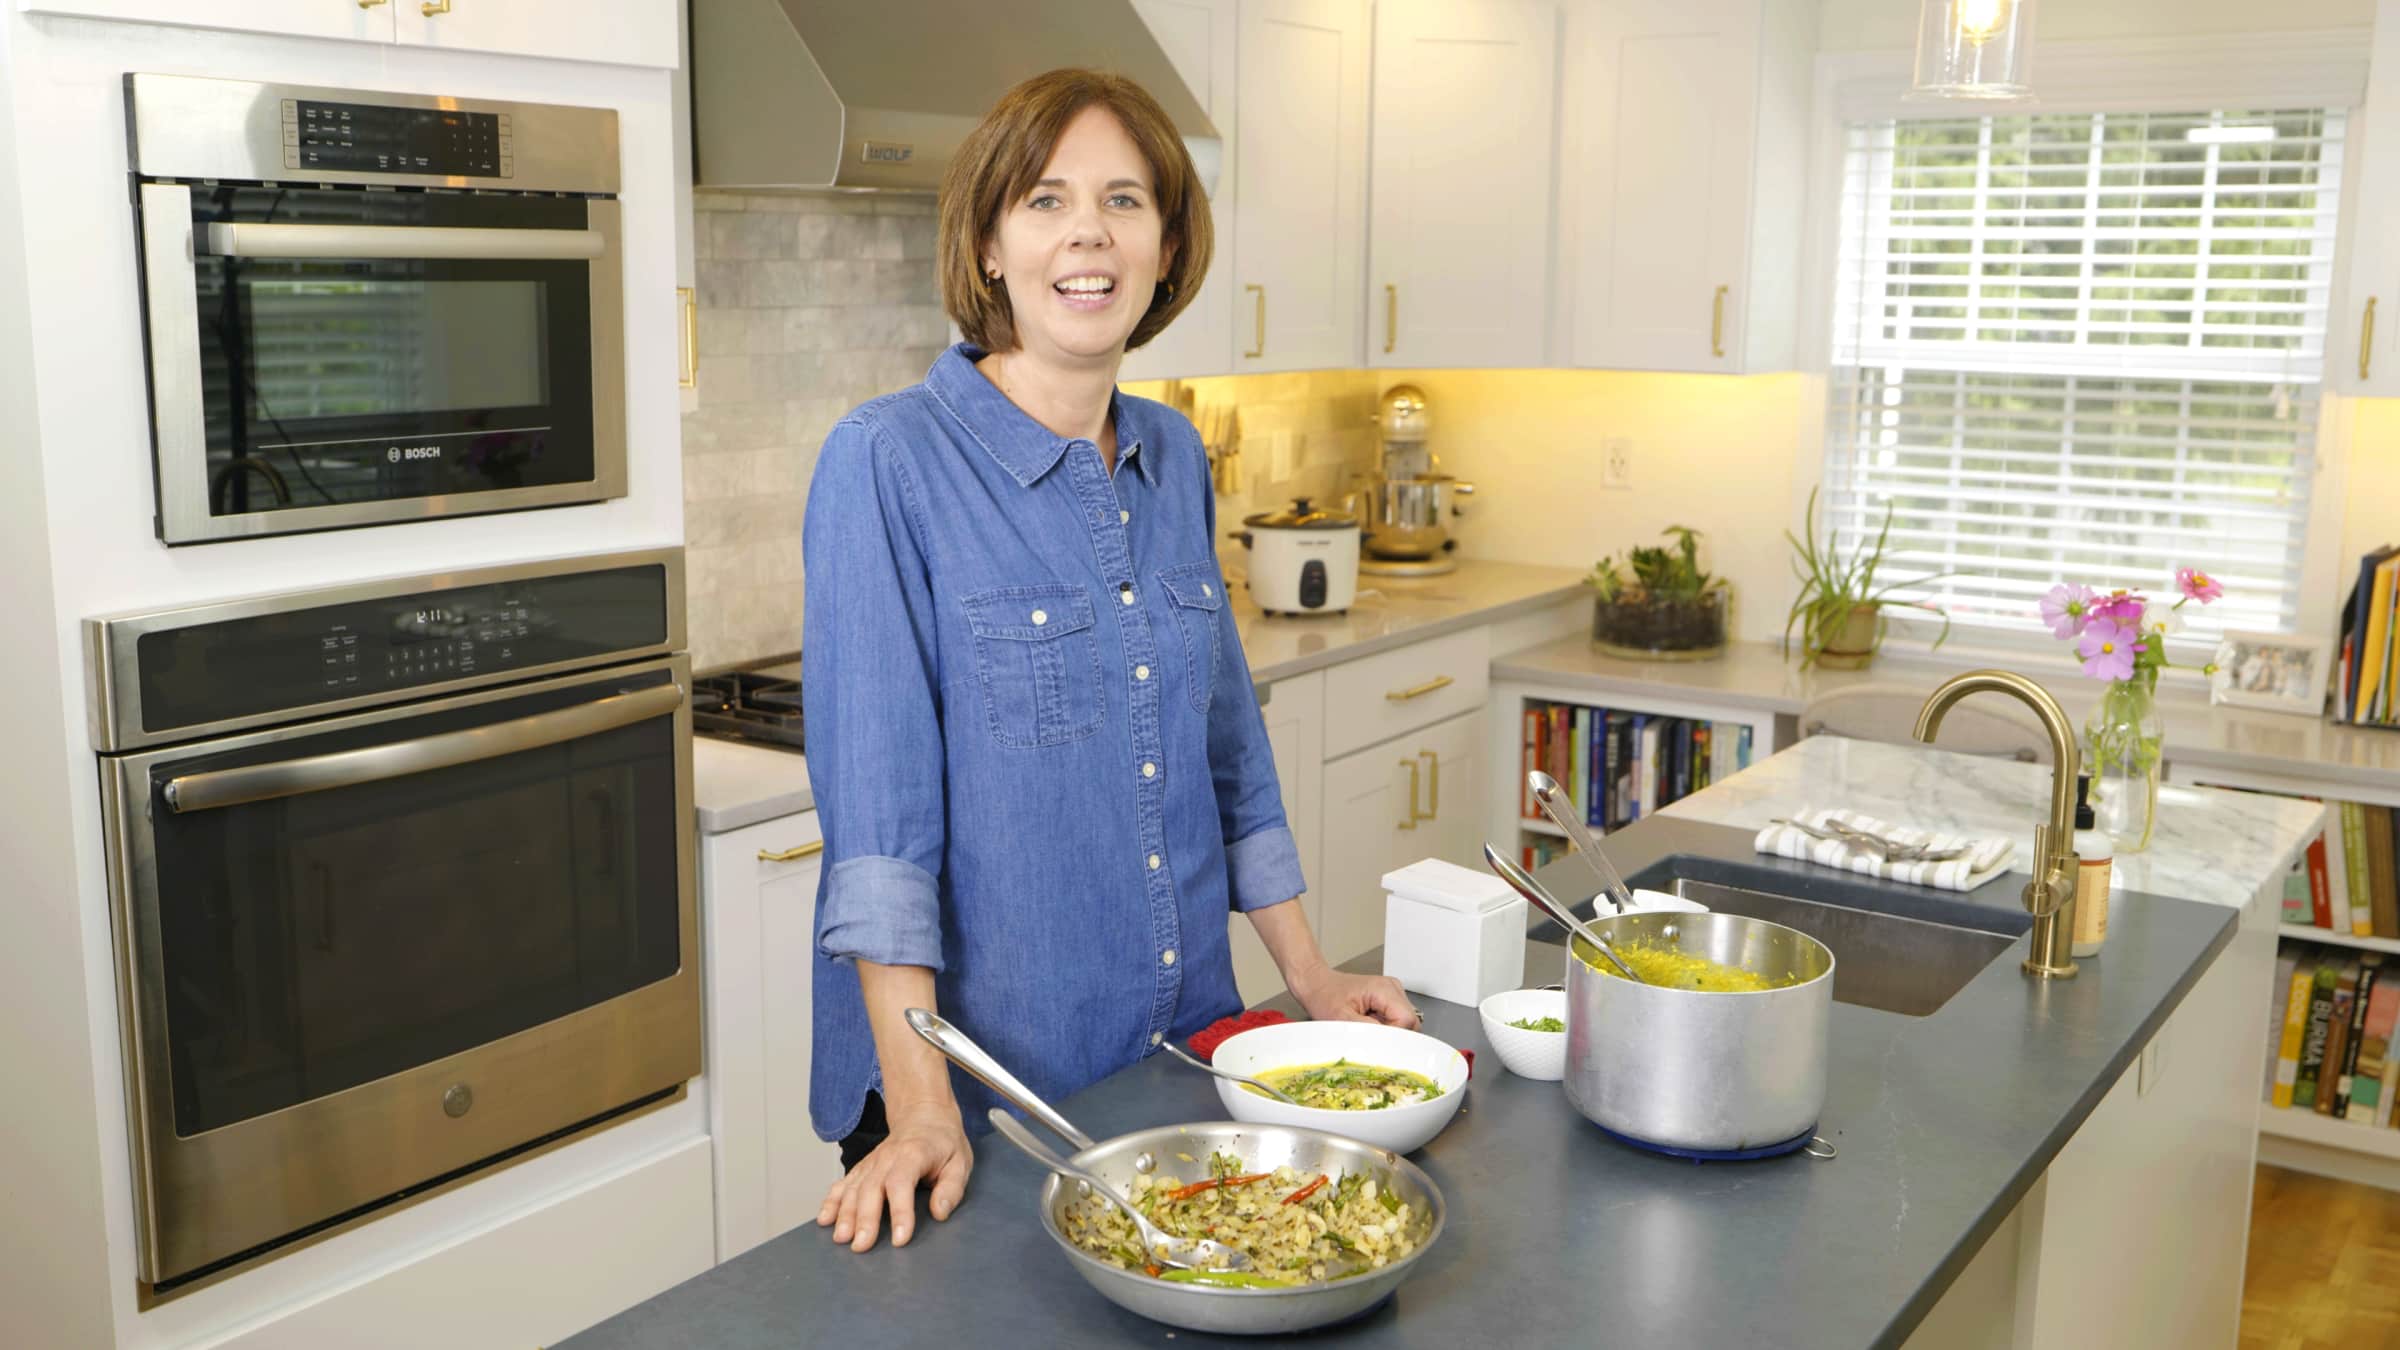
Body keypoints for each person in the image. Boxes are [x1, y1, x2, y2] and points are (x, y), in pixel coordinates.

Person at [798, 69, 1418, 1257]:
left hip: (1182, 1063)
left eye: (1123, 201)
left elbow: (1229, 755)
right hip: (991, 1104)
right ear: (989, 245)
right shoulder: (886, 461)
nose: (1088, 233)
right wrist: (923, 1108)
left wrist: (1313, 979)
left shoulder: (1175, 455)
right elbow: (879, 833)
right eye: (1046, 200)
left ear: (1165, 248)